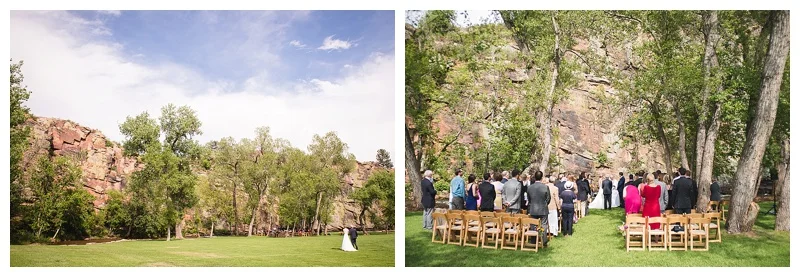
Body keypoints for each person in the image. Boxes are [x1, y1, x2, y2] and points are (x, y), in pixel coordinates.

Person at [527, 170, 551, 246]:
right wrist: (544, 204)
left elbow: (529, 198)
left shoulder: (530, 187)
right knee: (544, 225)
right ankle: (543, 241)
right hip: (542, 209)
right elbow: (548, 198)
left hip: (533, 208)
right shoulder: (545, 187)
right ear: (542, 177)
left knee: (533, 225)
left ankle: (533, 241)